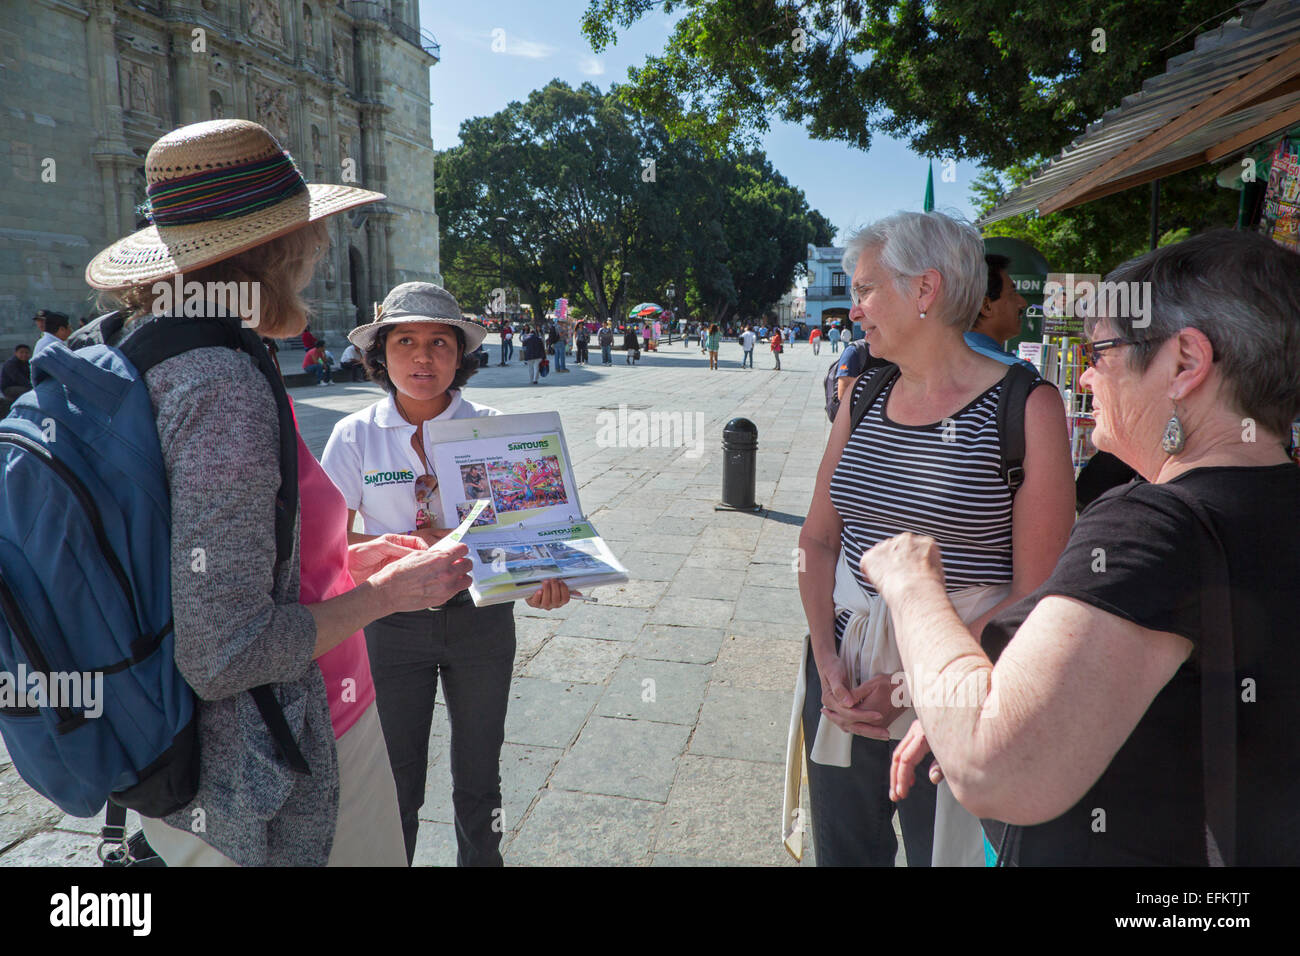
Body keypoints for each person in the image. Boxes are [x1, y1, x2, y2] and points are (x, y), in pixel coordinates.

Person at [83, 118, 473, 867]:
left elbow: (220, 560)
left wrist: (337, 564)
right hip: (268, 752)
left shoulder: (165, 343)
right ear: (269, 248)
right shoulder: (220, 385)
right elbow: (226, 652)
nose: (321, 247)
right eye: (307, 230)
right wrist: (389, 592)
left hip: (247, 742)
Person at [881, 228, 1300, 866]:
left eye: (1099, 350)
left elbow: (992, 765)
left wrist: (913, 584)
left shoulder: (1156, 526)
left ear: (1186, 363)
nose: (1083, 373)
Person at [793, 210, 1075, 868]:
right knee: (843, 855)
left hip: (958, 685)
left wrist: (911, 685)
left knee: (941, 855)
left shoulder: (1027, 406)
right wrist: (827, 662)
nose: (855, 308)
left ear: (925, 291)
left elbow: (1039, 597)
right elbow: (816, 539)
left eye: (865, 290)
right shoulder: (862, 392)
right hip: (842, 673)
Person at [322, 283, 571, 866]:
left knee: (480, 775)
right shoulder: (354, 436)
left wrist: (544, 578)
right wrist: (391, 548)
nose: (423, 357)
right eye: (405, 341)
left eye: (440, 342)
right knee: (395, 778)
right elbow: (324, 541)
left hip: (481, 621)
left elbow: (533, 528)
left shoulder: (498, 429)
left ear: (461, 355)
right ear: (381, 354)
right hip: (389, 624)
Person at [965, 254, 1036, 370]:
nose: (1023, 303)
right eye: (1012, 293)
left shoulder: (937, 360)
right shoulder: (1017, 372)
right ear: (986, 306)